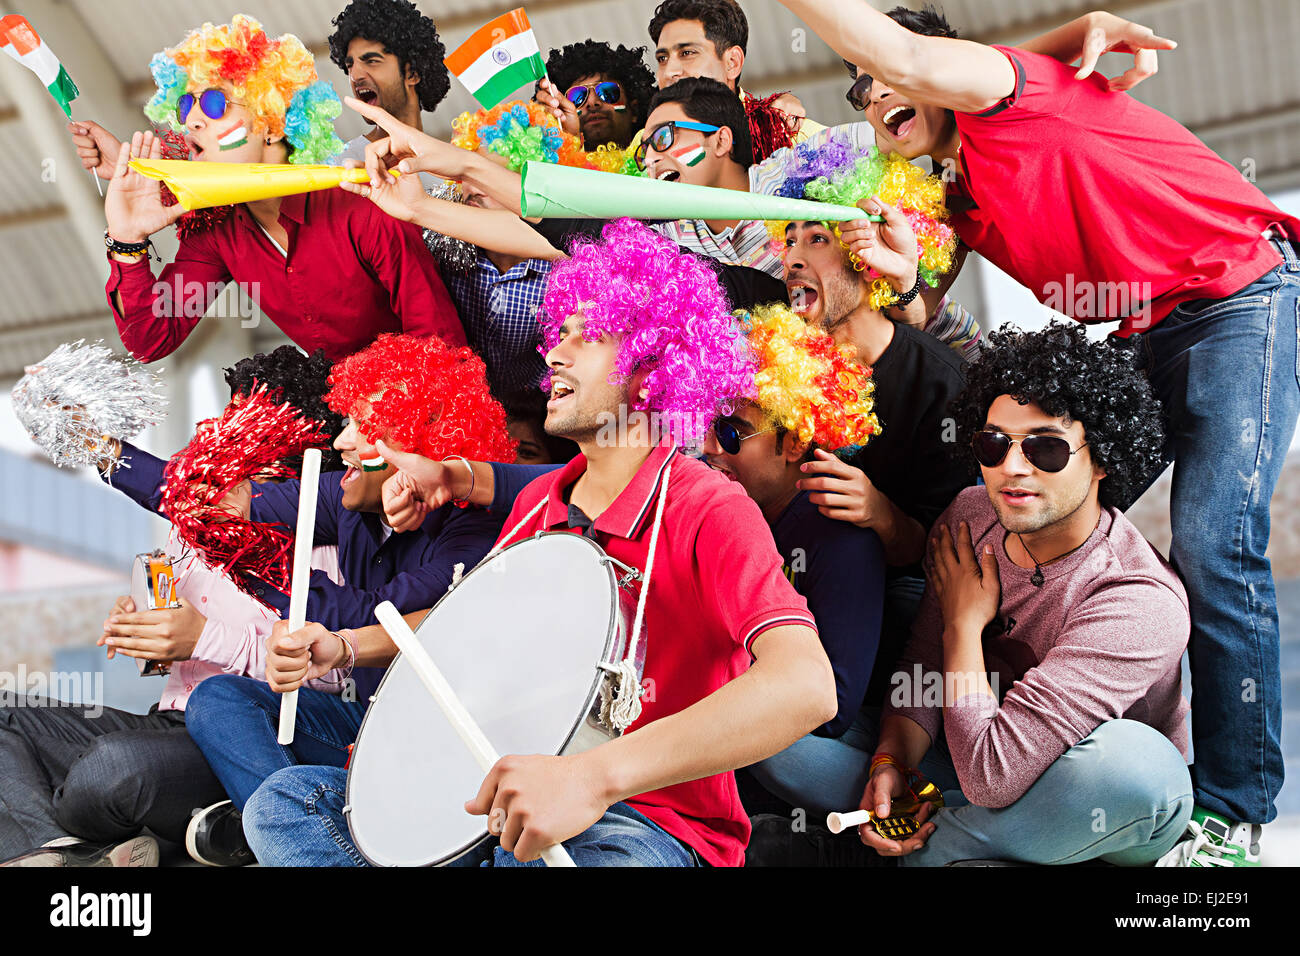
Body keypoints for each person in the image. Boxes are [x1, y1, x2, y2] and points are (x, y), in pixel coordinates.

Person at [783, 0, 1300, 863]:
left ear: (933, 67)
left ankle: (1231, 814)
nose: (875, 99)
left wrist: (1042, 42)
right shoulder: (957, 196)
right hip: (1140, 330)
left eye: (888, 82)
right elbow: (918, 310)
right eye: (861, 96)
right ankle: (1005, 733)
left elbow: (911, 53)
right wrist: (906, 278)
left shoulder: (1005, 95)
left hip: (1238, 293)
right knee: (1007, 516)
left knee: (1210, 543)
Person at [239, 219, 836, 867]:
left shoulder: (707, 506)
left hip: (642, 819)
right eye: (562, 333)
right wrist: (343, 647)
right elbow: (460, 633)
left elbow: (805, 687)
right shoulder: (537, 504)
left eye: (591, 336)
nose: (554, 353)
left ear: (652, 367)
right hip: (505, 793)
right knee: (285, 802)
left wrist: (592, 779)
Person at [833, 322, 1191, 867]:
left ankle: (935, 846)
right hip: (970, 744)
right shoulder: (969, 519)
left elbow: (992, 777)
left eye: (1046, 448)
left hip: (1078, 790)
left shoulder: (1139, 600)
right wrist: (893, 762)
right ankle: (972, 841)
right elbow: (924, 665)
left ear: (1103, 460)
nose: (1012, 468)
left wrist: (962, 625)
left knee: (1140, 771)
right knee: (783, 748)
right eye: (994, 444)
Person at [0, 348, 346, 868]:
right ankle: (63, 853)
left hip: (242, 741)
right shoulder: (195, 519)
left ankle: (91, 831)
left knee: (108, 772)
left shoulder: (327, 543)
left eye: (240, 418)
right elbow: (172, 619)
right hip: (167, 723)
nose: (219, 430)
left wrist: (202, 638)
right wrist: (144, 626)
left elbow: (334, 681)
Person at [173, 335, 509, 863]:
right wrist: (113, 456)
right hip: (367, 726)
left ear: (422, 446)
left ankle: (295, 834)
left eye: (367, 428)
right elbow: (221, 505)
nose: (341, 441)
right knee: (218, 700)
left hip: (447, 745)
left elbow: (386, 616)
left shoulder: (472, 530)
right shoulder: (344, 495)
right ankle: (309, 834)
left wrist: (273, 584)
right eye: (347, 421)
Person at [100, 15, 465, 362]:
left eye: (214, 103)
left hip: (418, 405)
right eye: (185, 105)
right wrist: (127, 241)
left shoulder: (361, 204)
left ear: (272, 125)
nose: (191, 121)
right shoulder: (216, 231)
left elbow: (441, 342)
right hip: (341, 407)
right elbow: (148, 341)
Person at [699, 303, 889, 816]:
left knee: (778, 753)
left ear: (794, 443)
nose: (709, 445)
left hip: (828, 744)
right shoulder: (722, 502)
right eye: (707, 423)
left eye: (733, 432)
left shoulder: (839, 537)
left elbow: (834, 709)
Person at [327, 0, 451, 168]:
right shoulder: (339, 165)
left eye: (371, 61)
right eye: (350, 65)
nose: (355, 76)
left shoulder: (450, 168)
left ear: (412, 74)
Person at [536, 40, 656, 151]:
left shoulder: (660, 159)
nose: (592, 102)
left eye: (607, 92)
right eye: (577, 97)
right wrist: (569, 141)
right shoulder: (551, 169)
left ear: (634, 111)